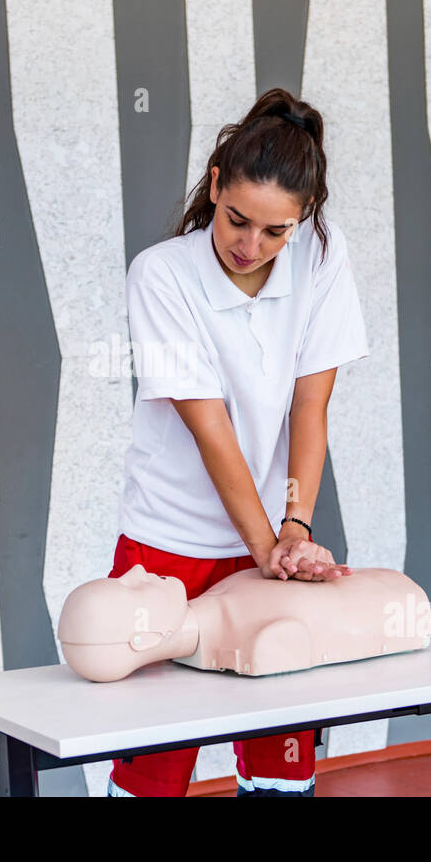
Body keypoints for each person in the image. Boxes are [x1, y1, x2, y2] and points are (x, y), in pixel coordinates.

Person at [107, 87, 369, 797]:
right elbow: (211, 427)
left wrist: (295, 526)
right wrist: (271, 552)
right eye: (237, 220)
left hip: (268, 538)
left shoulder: (321, 253)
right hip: (168, 545)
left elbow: (309, 408)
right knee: (153, 764)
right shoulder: (161, 275)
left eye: (275, 231)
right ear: (216, 184)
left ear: (304, 219)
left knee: (282, 763)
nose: (251, 245)